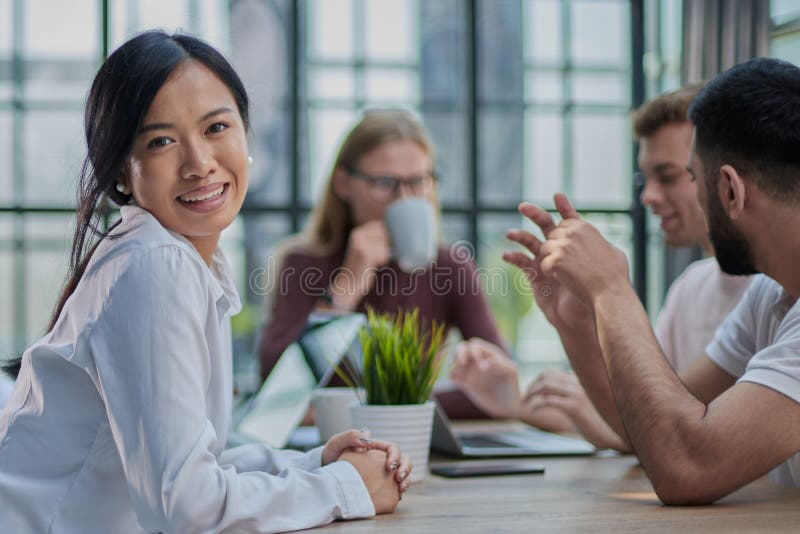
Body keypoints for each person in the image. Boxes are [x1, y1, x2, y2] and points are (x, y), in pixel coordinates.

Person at [0, 31, 411, 533]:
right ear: (122, 174)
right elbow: (187, 509)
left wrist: (315, 464)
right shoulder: (155, 266)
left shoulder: (169, 258)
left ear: (245, 135)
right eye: (161, 141)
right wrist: (345, 488)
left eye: (216, 127)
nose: (199, 163)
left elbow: (198, 465)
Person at [504, 57, 800, 504]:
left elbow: (689, 466)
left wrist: (611, 290)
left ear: (730, 190)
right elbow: (651, 431)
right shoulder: (771, 294)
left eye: (691, 177)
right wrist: (580, 321)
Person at [450, 84, 753, 450]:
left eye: (670, 176)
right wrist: (569, 327)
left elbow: (668, 437)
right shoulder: (691, 287)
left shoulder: (771, 294)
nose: (648, 197)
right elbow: (647, 429)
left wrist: (608, 289)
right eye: (645, 179)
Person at [257, 109, 507, 418]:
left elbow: (501, 388)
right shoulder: (303, 264)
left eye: (418, 182)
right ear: (344, 184)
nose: (403, 199)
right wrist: (348, 285)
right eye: (385, 183)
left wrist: (396, 408)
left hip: (411, 442)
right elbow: (275, 390)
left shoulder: (450, 266)